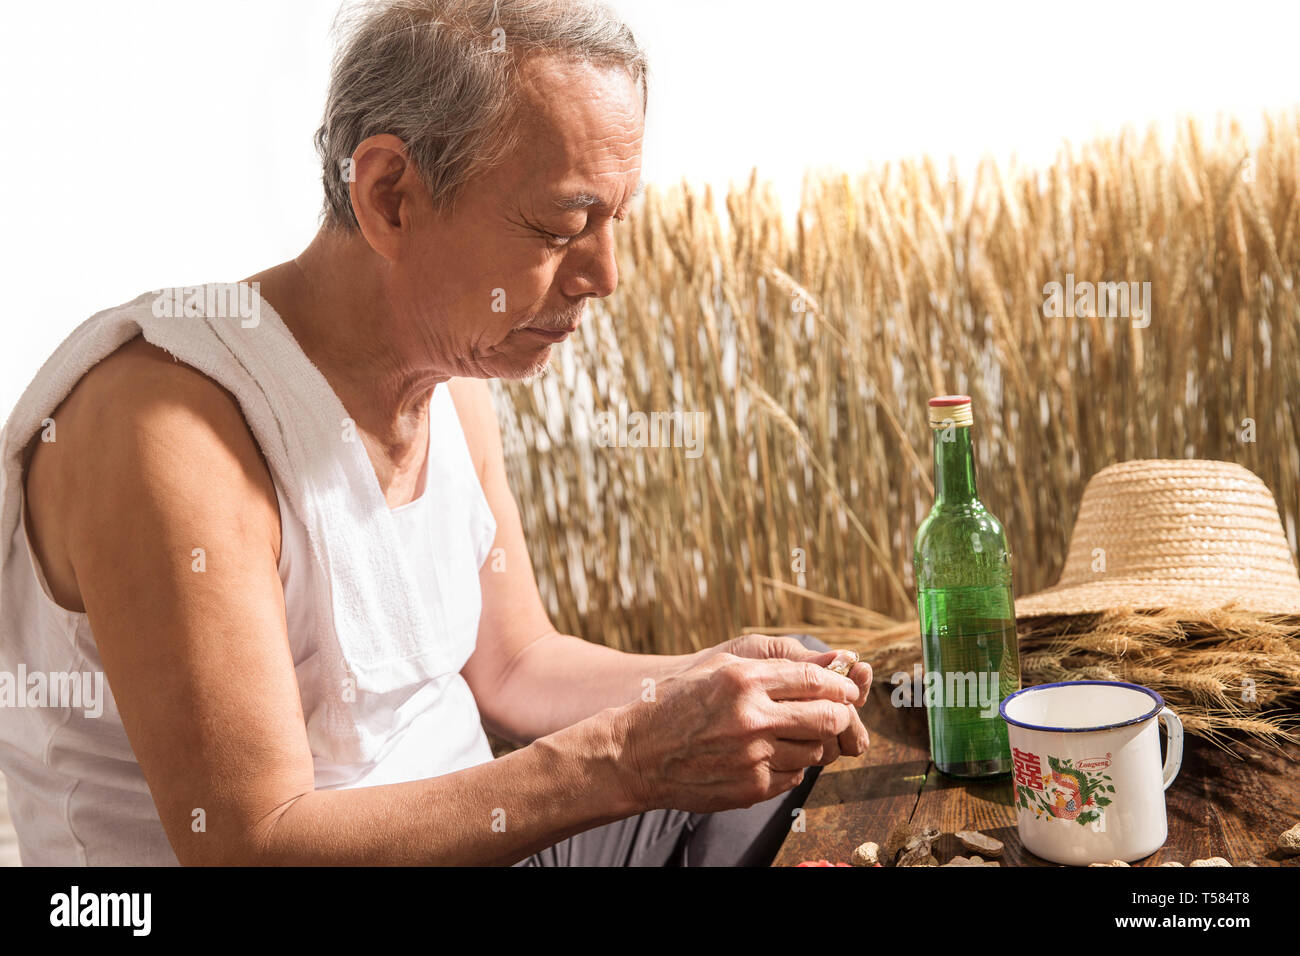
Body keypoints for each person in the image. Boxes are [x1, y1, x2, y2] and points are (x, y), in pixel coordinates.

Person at [0, 0, 871, 866]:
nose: (605, 276)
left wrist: (709, 685)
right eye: (562, 227)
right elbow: (252, 848)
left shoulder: (451, 380)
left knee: (788, 690)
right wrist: (630, 759)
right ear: (389, 196)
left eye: (615, 221)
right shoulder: (171, 431)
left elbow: (517, 666)